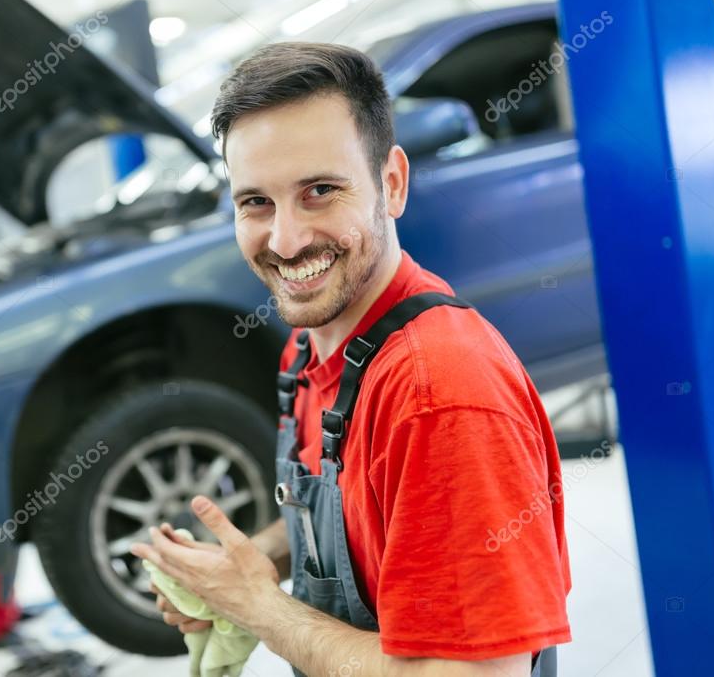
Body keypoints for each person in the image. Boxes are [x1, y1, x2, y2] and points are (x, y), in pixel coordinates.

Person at [131, 42, 571, 677]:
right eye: (256, 202)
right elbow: (364, 517)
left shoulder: (438, 394)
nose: (284, 240)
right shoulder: (312, 343)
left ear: (390, 184)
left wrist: (260, 608)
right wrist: (247, 568)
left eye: (319, 191)